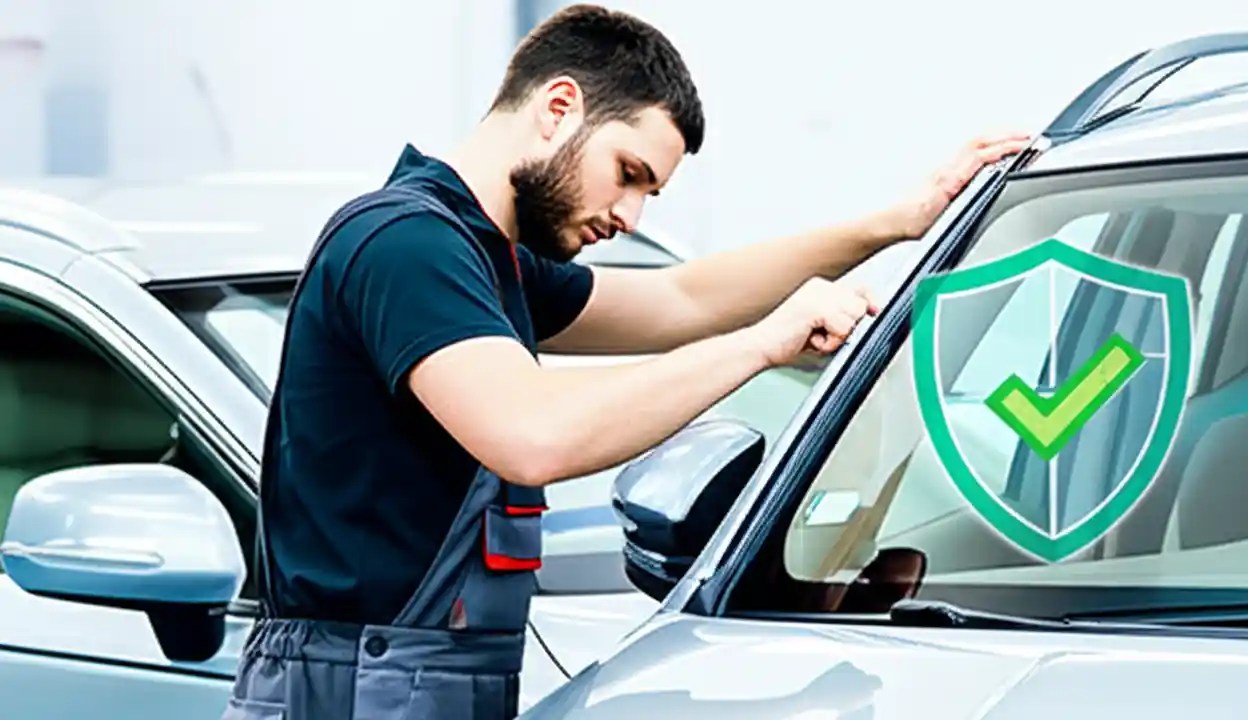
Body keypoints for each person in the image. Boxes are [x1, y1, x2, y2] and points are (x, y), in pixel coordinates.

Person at [221, 4, 1029, 719]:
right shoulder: (409, 247)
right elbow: (533, 434)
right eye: (629, 174)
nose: (631, 214)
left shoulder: (485, 260)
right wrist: (764, 344)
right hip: (352, 689)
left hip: (424, 677)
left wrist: (898, 223)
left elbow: (682, 302)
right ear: (559, 106)